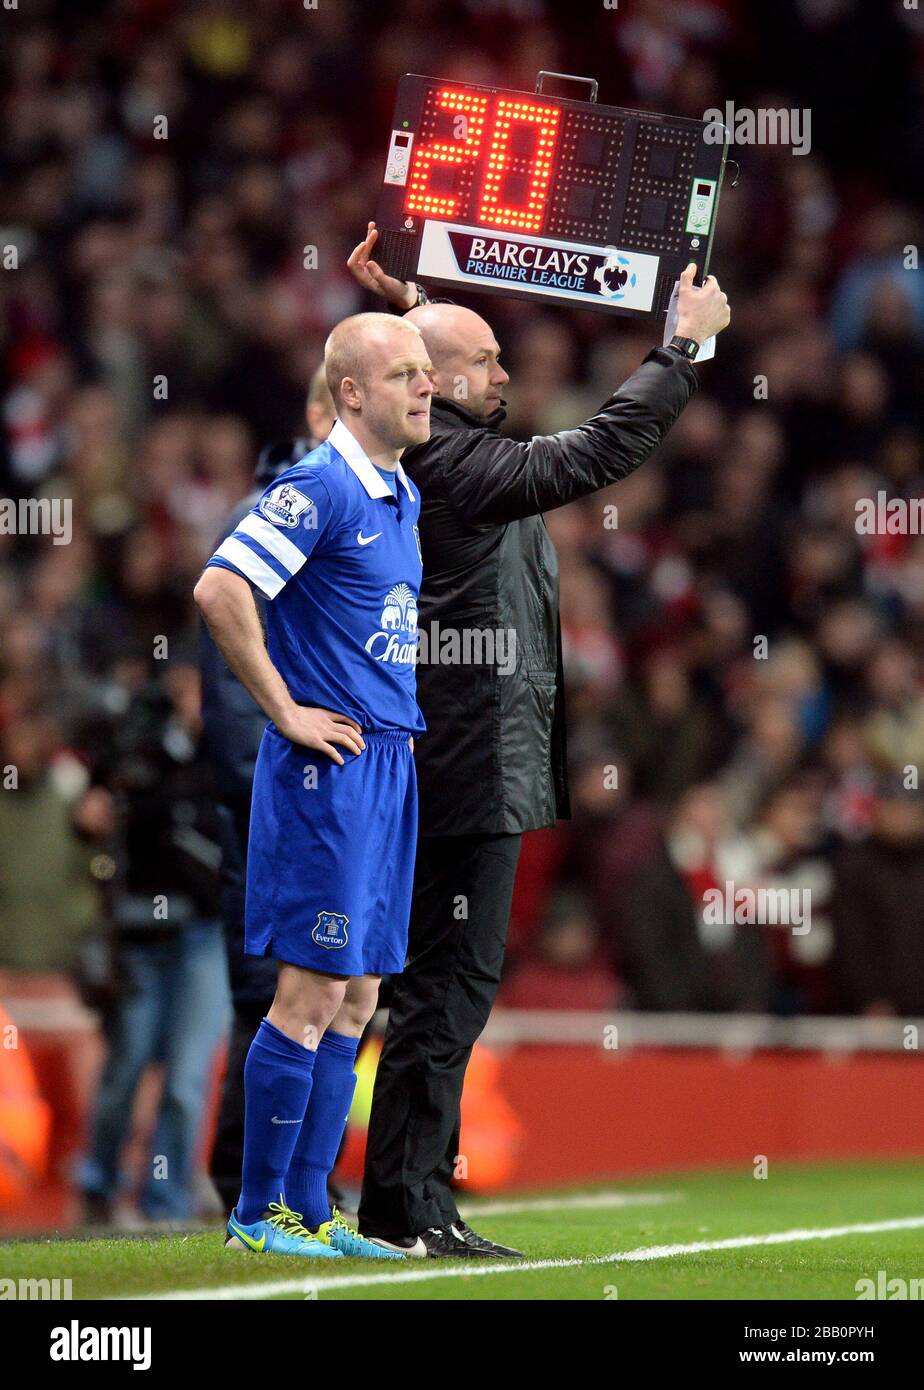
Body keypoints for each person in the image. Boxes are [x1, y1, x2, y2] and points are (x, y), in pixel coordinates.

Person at [347, 223, 731, 1257]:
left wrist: (407, 314)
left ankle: (409, 1198)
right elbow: (600, 448)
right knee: (447, 987)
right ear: (441, 382)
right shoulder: (455, 460)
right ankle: (407, 1208)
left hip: (467, 756)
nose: (508, 372)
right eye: (488, 363)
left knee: (438, 988)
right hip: (464, 762)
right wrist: (681, 347)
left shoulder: (442, 447)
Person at [194, 311, 432, 1260]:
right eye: (408, 374)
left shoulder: (398, 491)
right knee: (306, 994)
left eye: (427, 371)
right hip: (324, 775)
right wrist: (286, 710)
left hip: (384, 766)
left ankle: (316, 1213)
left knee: (361, 998)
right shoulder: (319, 487)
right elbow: (220, 591)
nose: (428, 387)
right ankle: (256, 1214)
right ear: (351, 394)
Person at [201, 364, 336, 1216]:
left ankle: (302, 1185)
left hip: (318, 809)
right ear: (327, 409)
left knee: (332, 995)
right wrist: (293, 799)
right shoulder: (267, 523)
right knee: (272, 1000)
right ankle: (245, 1190)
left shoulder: (367, 517)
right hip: (274, 817)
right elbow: (232, 708)